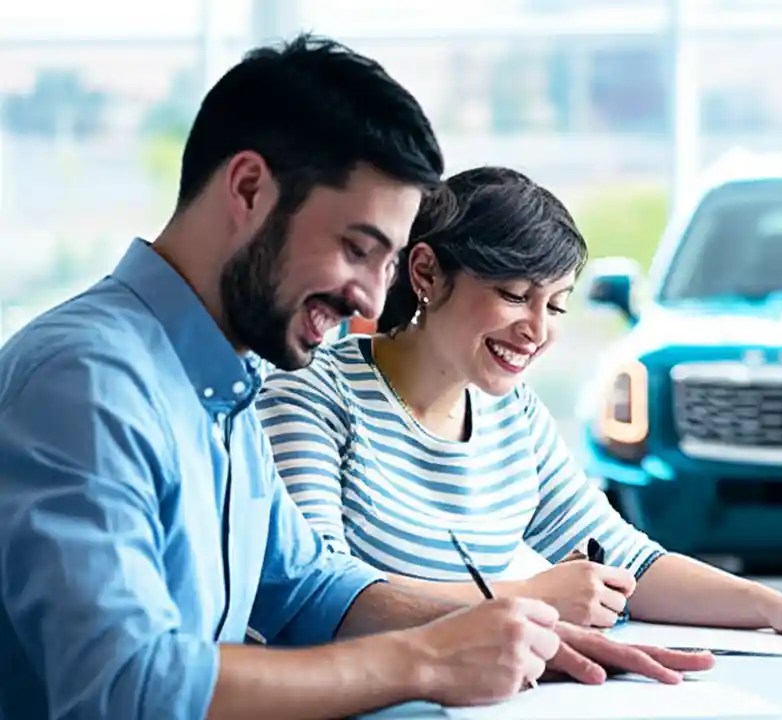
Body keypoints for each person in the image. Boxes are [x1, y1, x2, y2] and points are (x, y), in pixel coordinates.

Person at [0, 36, 710, 720]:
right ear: (248, 188)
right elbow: (123, 686)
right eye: (355, 249)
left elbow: (309, 589)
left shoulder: (222, 382)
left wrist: (516, 627)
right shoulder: (87, 381)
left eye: (389, 264)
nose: (371, 302)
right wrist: (424, 661)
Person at [258, 166, 782, 638]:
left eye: (556, 304)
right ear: (425, 273)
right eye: (513, 294)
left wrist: (780, 607)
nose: (537, 329)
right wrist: (529, 597)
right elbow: (321, 600)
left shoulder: (512, 412)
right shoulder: (311, 396)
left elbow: (629, 559)